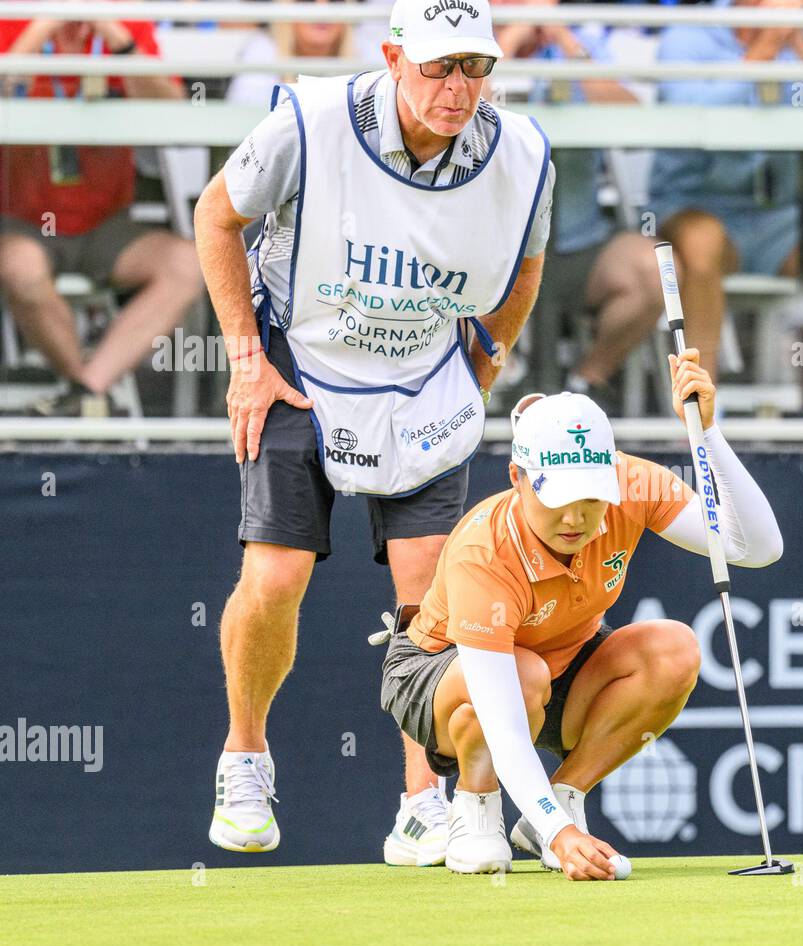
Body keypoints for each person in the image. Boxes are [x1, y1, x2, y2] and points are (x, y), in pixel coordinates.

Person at [194, 0, 555, 864]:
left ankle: (420, 800)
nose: (457, 87)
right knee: (274, 577)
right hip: (300, 362)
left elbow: (525, 263)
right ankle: (245, 753)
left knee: (429, 597)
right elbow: (217, 216)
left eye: (474, 67)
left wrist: (486, 359)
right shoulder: (310, 122)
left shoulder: (521, 152)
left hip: (426, 376)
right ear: (394, 57)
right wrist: (247, 360)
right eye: (437, 66)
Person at [376, 347, 783, 879]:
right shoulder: (485, 550)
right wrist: (561, 839)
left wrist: (707, 436)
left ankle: (563, 797)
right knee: (523, 675)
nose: (575, 518)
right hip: (440, 678)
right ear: (517, 478)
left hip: (561, 669)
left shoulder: (633, 484)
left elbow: (757, 546)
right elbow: (501, 711)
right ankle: (475, 807)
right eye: (557, 497)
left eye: (591, 498)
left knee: (673, 649)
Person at [648, 0, 803, 416]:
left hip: (783, 220)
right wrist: (763, 52)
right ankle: (698, 409)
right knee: (702, 241)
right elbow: (689, 111)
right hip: (696, 206)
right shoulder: (688, 32)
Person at [0, 10, 202, 417]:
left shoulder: (129, 23)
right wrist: (43, 29)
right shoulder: (12, 18)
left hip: (106, 225)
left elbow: (174, 108)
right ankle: (87, 391)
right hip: (24, 224)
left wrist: (117, 38)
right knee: (19, 267)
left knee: (190, 264)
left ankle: (86, 390)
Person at [498, 0, 664, 413]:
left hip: (576, 246)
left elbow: (635, 120)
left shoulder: (579, 42)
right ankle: (501, 372)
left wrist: (564, 40)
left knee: (654, 268)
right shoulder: (461, 42)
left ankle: (584, 385)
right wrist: (509, 41)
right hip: (489, 258)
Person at [225, 0, 360, 109]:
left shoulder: (366, 54)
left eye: (335, 1)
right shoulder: (262, 51)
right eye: (307, 1)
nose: (322, 10)